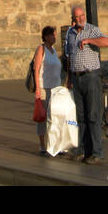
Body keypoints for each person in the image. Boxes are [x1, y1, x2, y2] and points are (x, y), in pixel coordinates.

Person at [64, 4, 108, 164]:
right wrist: (69, 78)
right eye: (77, 17)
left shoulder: (92, 29)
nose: (80, 19)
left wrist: (90, 40)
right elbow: (69, 55)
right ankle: (83, 150)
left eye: (82, 16)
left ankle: (97, 152)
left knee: (93, 115)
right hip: (77, 78)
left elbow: (106, 42)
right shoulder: (70, 33)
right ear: (73, 19)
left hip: (91, 77)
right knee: (81, 116)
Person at [32, 25, 62, 155]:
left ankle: (54, 143)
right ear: (45, 37)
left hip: (55, 88)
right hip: (44, 87)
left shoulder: (54, 50)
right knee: (43, 118)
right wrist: (37, 89)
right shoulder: (41, 49)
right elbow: (36, 68)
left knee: (55, 117)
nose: (55, 37)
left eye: (55, 35)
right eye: (52, 35)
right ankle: (42, 144)